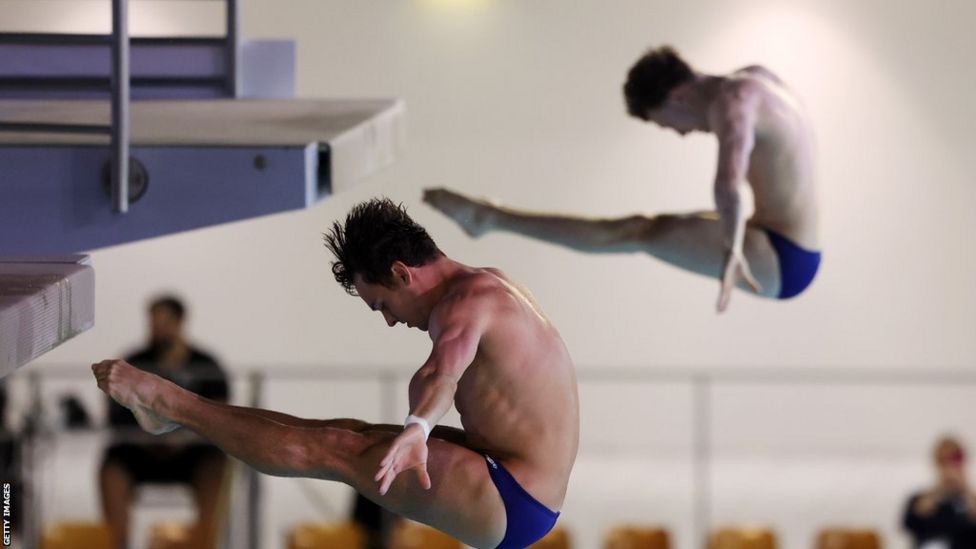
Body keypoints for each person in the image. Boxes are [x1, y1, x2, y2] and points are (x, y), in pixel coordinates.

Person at [92, 198, 580, 549]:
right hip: (514, 474)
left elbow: (443, 374)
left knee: (331, 450)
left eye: (382, 304)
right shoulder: (487, 283)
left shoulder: (469, 303)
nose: (390, 320)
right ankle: (174, 411)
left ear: (402, 273)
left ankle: (168, 404)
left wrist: (419, 428)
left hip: (513, 497)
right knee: (347, 433)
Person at [424, 45, 820, 312]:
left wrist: (732, 249)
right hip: (784, 236)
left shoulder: (732, 104)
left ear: (677, 97)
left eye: (667, 126)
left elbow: (728, 182)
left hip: (782, 258)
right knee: (643, 227)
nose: (680, 134)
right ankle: (489, 218)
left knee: (635, 232)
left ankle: (490, 218)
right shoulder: (754, 78)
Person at [99, 295, 229, 549]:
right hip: (140, 452)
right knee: (111, 467)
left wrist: (181, 438)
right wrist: (150, 437)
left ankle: (206, 540)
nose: (156, 327)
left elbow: (220, 416)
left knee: (216, 463)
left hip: (190, 454)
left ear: (180, 322)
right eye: (153, 321)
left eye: (163, 321)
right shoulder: (133, 363)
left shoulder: (206, 365)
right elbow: (115, 413)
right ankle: (117, 541)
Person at [903, 436, 976, 548]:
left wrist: (965, 489)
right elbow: (910, 524)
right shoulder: (920, 499)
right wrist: (938, 492)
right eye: (943, 462)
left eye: (954, 461)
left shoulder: (970, 501)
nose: (949, 469)